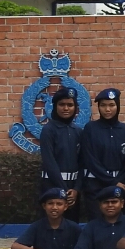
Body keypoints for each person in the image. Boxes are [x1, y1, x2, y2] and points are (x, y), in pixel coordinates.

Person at [38, 85, 83, 215]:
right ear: (55, 106)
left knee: (72, 226)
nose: (66, 108)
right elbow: (49, 162)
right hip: (52, 185)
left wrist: (76, 190)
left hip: (73, 188)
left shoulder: (78, 131)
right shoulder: (49, 130)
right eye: (61, 104)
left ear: (75, 108)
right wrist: (63, 191)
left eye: (70, 105)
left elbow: (82, 163)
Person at [80, 87, 125, 206]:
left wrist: (119, 181)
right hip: (95, 185)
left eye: (112, 105)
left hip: (119, 185)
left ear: (118, 106)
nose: (107, 109)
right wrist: (112, 181)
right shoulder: (90, 128)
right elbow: (90, 159)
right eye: (103, 105)